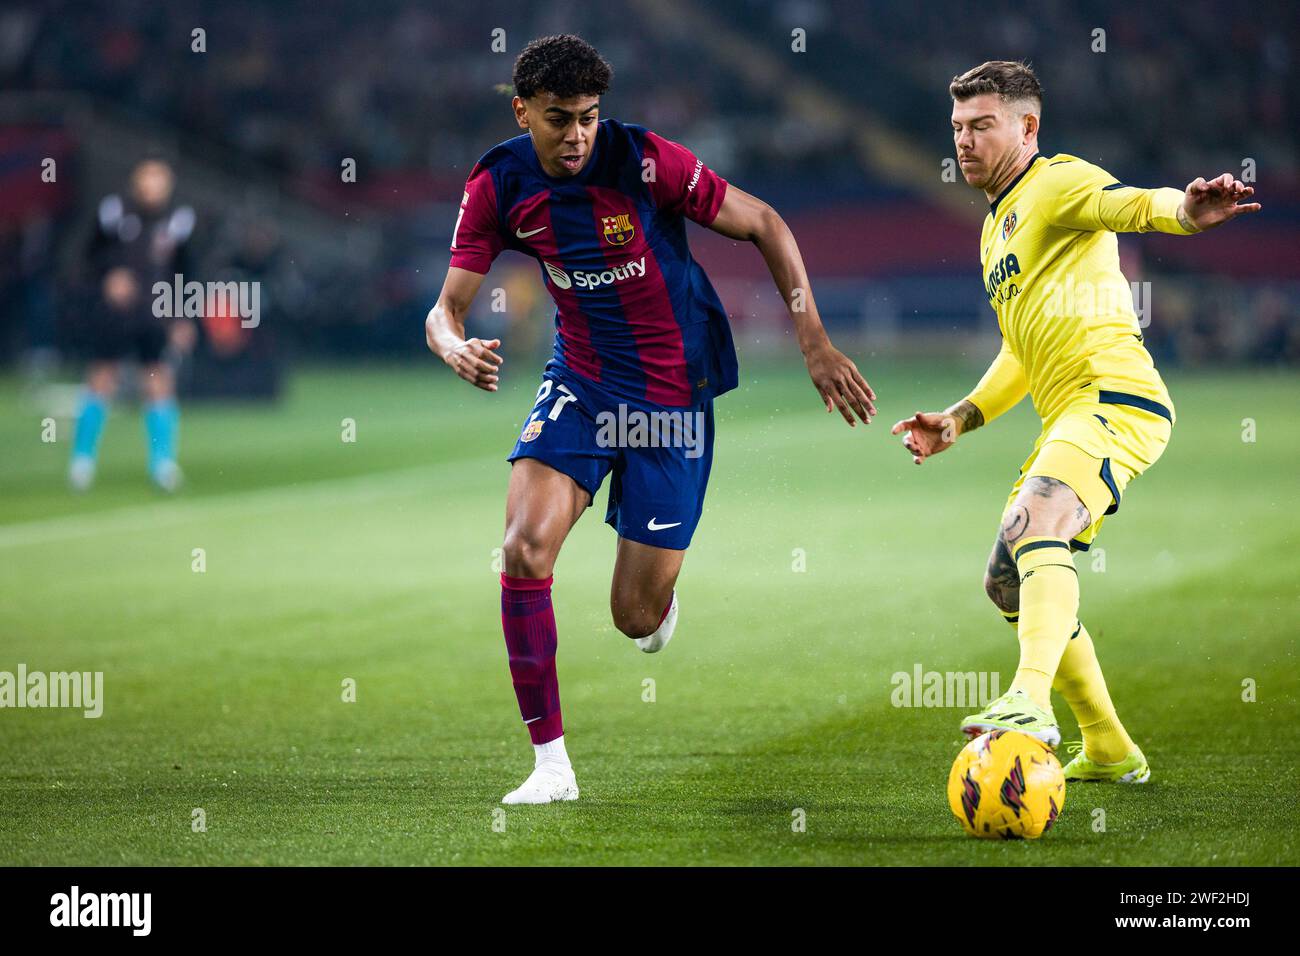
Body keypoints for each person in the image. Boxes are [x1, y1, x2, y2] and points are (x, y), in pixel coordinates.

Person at [425, 35, 875, 804]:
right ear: (522, 111)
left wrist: (815, 342)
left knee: (633, 617)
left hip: (671, 397)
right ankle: (552, 768)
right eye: (559, 119)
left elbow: (765, 222)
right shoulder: (498, 184)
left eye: (588, 118)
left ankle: (656, 607)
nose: (575, 136)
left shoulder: (644, 161)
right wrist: (453, 347)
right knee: (523, 550)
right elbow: (444, 311)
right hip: (582, 384)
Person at [891, 61, 1259, 783]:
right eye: (958, 128)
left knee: (1037, 525)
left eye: (982, 125)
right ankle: (1111, 748)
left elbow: (1129, 204)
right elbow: (1020, 351)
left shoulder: (1055, 182)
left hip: (1113, 396)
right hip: (1072, 412)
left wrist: (1185, 212)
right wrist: (962, 417)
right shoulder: (995, 228)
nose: (964, 141)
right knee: (1007, 580)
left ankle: (1029, 699)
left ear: (1027, 126)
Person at [69, 157, 196, 492]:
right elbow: (86, 257)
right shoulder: (114, 212)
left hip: (154, 315)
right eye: (148, 177)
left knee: (157, 383)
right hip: (116, 314)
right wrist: (108, 278)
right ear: (136, 180)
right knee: (101, 379)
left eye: (160, 178)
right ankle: (82, 461)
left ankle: (162, 463)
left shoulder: (178, 220)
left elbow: (185, 273)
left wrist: (182, 316)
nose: (153, 185)